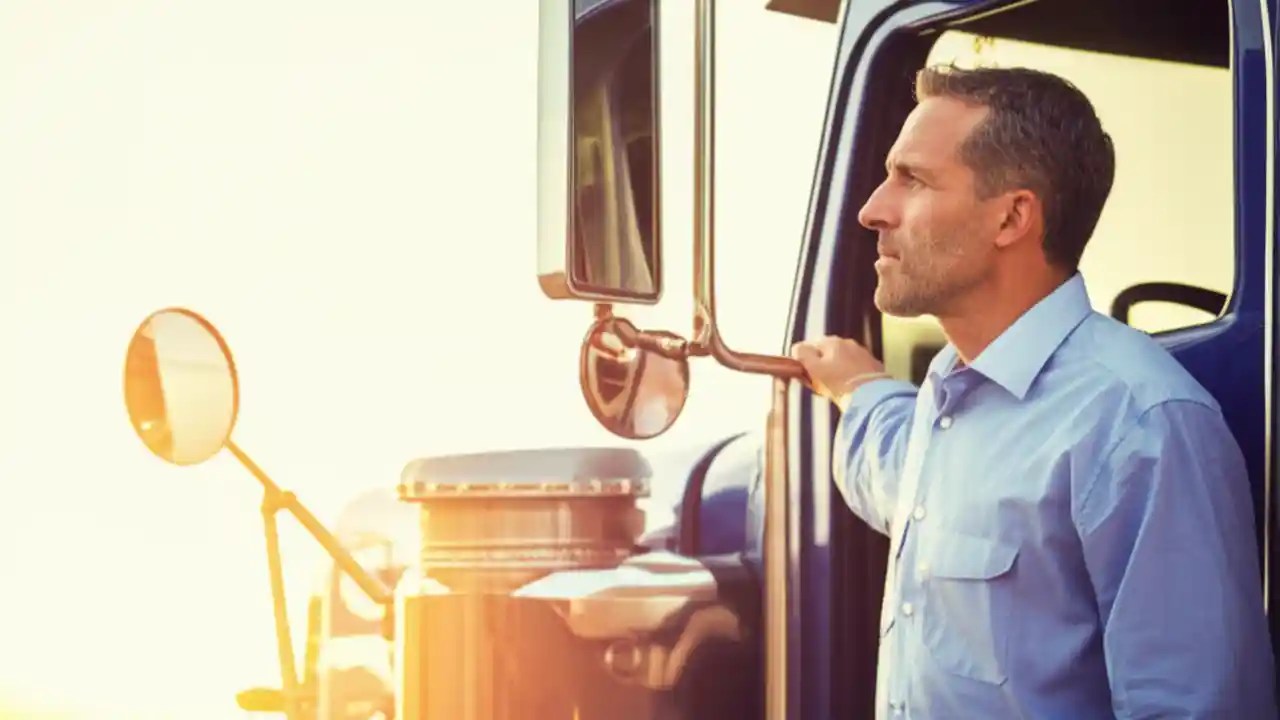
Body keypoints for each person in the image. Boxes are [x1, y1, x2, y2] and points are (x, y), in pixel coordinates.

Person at [790, 64, 1277, 719]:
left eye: (912, 179)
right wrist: (860, 389)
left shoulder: (1138, 424)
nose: (873, 209)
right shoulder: (948, 395)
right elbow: (906, 486)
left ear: (1012, 217)